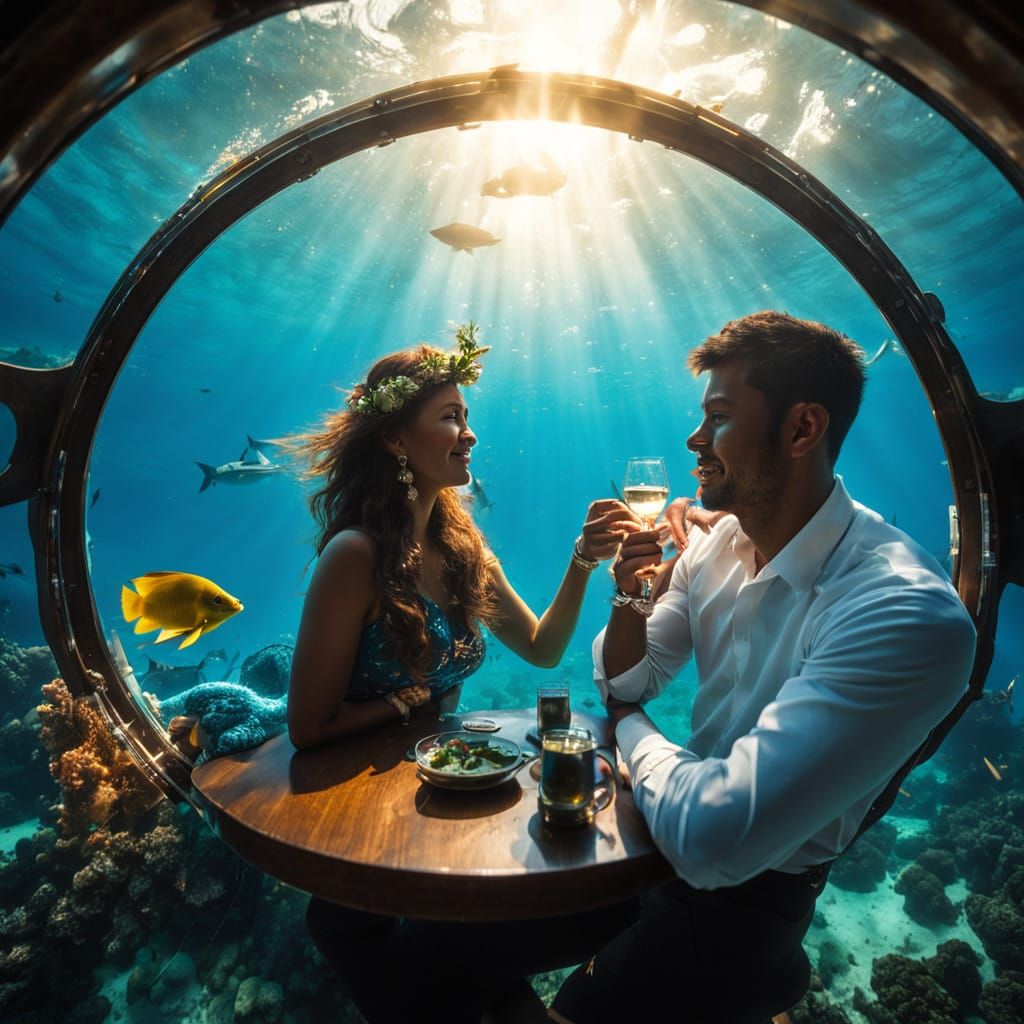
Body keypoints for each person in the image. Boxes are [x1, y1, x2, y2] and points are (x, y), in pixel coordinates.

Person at [548, 311, 977, 1024]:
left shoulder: (903, 611)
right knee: (460, 947)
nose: (694, 440)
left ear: (803, 429)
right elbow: (627, 680)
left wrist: (628, 731)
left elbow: (715, 838)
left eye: (718, 418)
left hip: (749, 897)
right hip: (658, 841)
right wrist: (629, 593)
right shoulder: (715, 545)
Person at [286, 323, 637, 1023]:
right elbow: (307, 726)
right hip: (369, 834)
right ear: (395, 439)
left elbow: (540, 646)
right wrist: (409, 705)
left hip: (440, 804)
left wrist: (583, 559)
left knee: (570, 928)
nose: (469, 433)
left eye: (467, 416)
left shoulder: (461, 544)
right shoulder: (354, 556)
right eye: (450, 416)